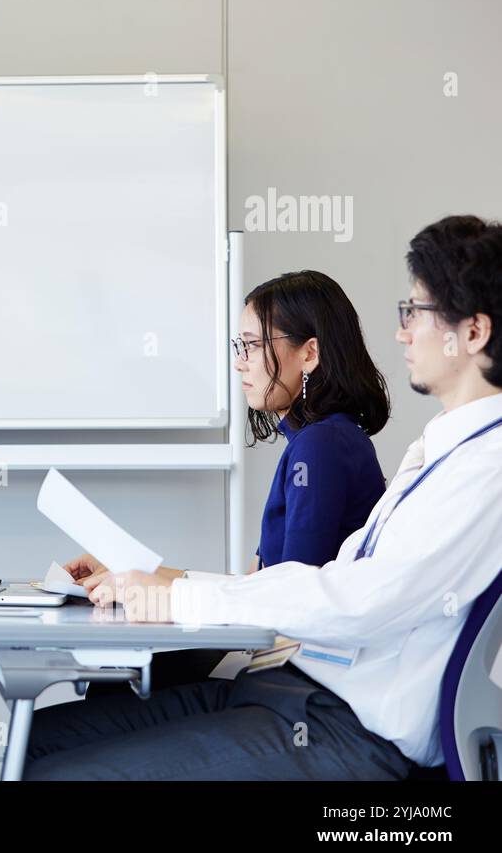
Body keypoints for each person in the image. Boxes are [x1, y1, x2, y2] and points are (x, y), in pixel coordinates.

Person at [25, 215, 502, 780]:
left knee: (58, 774)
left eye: (415, 312)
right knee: (31, 748)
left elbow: (356, 599)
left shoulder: (483, 469)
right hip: (303, 691)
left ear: (472, 332)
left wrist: (176, 598)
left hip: (349, 729)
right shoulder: (443, 450)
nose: (401, 331)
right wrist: (160, 586)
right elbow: (301, 582)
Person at [83, 270, 390, 694]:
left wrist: (150, 587)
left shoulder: (321, 446)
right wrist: (133, 574)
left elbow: (286, 600)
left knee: (112, 690)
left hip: (292, 681)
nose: (239, 361)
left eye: (252, 345)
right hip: (287, 664)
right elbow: (252, 587)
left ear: (310, 353)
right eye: (238, 346)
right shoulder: (319, 440)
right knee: (116, 685)